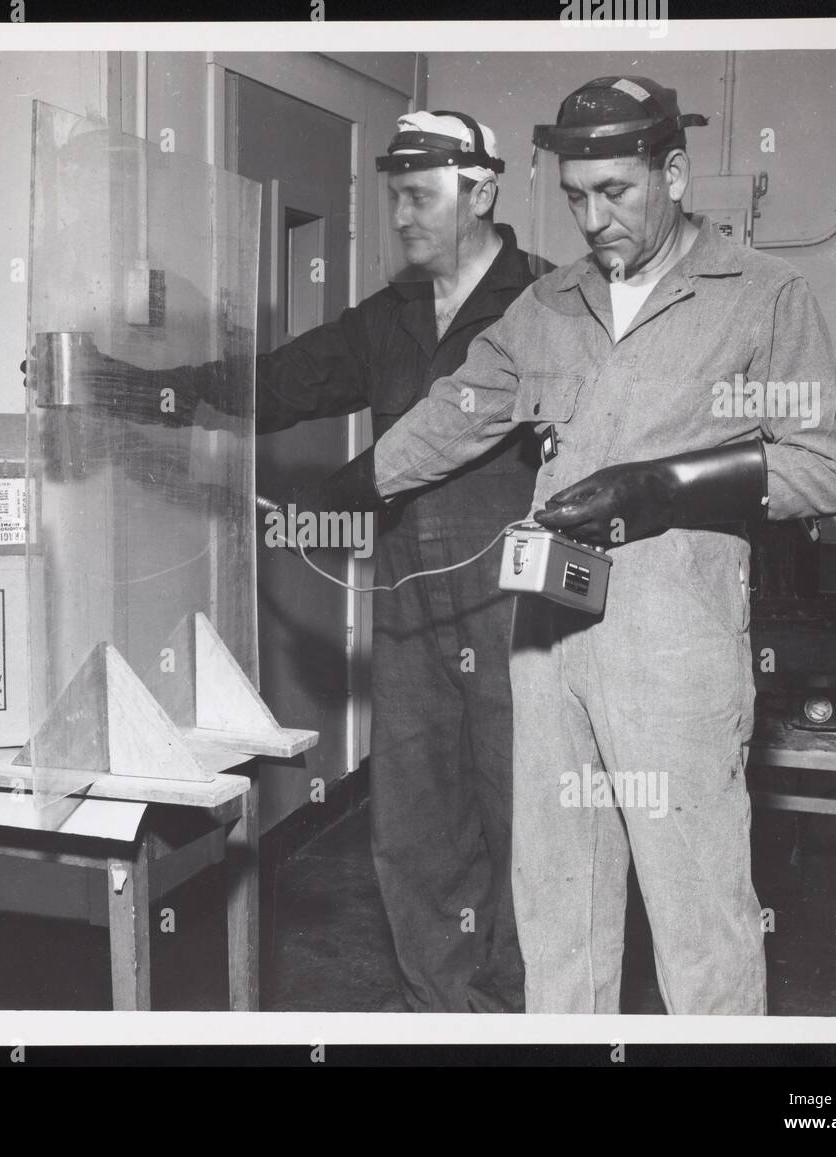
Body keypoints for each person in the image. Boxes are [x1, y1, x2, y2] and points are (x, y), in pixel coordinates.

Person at [315, 76, 836, 1014]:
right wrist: (351, 485)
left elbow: (828, 467)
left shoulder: (761, 295)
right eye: (575, 195)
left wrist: (672, 485)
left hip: (674, 652)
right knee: (558, 914)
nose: (593, 218)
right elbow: (460, 409)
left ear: (675, 172)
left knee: (700, 925)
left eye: (616, 190)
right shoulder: (549, 304)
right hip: (550, 642)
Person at [265, 112, 550, 1013]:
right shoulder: (385, 319)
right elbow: (280, 383)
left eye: (421, 195)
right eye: (395, 196)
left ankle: (521, 1003)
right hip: (409, 603)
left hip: (519, 605)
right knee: (417, 815)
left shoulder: (548, 305)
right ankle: (438, 1002)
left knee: (523, 813)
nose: (402, 214)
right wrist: (144, 386)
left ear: (482, 191)